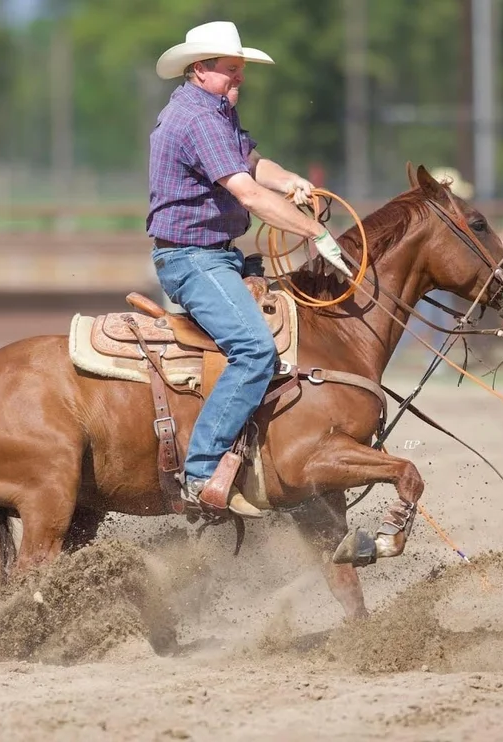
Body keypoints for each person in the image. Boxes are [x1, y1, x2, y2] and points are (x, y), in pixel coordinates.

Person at [148, 21, 351, 518]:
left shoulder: (213, 112)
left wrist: (292, 182)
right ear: (200, 70)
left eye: (241, 71)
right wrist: (314, 232)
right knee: (255, 349)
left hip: (216, 255)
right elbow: (248, 194)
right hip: (193, 259)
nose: (240, 79)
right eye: (230, 70)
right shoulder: (197, 119)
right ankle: (199, 473)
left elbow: (255, 166)